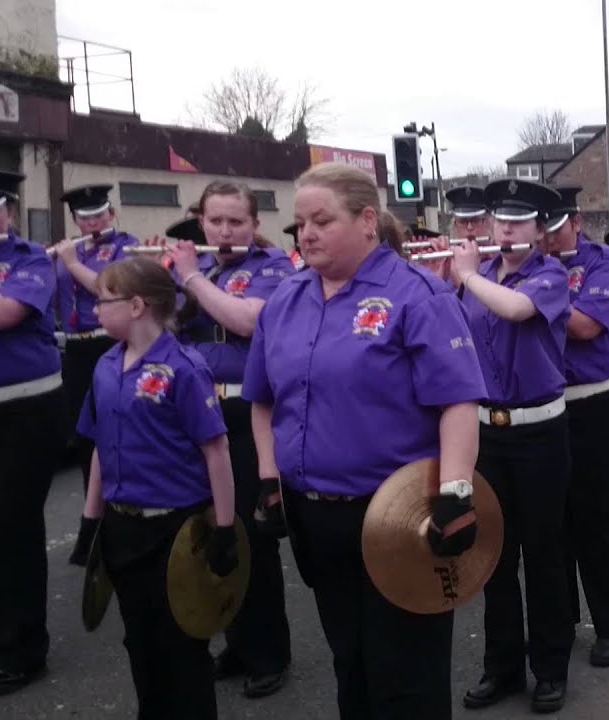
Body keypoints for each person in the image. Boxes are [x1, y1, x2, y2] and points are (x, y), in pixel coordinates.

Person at [243, 162, 486, 718]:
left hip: (401, 519)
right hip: (317, 520)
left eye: (322, 221)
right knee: (350, 666)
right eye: (299, 224)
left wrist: (456, 492)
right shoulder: (285, 301)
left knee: (406, 679)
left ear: (367, 220)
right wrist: (267, 477)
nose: (306, 234)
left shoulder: (417, 295)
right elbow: (262, 398)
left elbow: (457, 401)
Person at [71, 257, 238, 719]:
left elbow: (216, 451)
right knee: (139, 641)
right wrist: (91, 519)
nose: (95, 311)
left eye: (103, 302)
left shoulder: (184, 367)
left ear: (138, 305)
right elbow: (101, 446)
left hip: (176, 531)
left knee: (182, 647)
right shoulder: (105, 366)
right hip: (124, 528)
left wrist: (224, 528)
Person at [452, 179, 573, 714]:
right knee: (493, 555)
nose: (503, 230)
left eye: (518, 222)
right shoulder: (472, 280)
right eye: (499, 221)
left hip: (539, 434)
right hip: (487, 432)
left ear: (539, 230)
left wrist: (465, 275)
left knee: (543, 555)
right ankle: (502, 667)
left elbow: (517, 310)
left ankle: (550, 668)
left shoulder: (548, 275)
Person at [168, 181, 294, 699]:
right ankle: (237, 641)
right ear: (202, 222)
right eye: (215, 221)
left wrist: (192, 279)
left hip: (246, 410)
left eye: (235, 222)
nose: (223, 231)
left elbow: (248, 319)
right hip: (198, 408)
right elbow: (166, 327)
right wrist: (163, 286)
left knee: (251, 535)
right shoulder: (199, 268)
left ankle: (269, 652)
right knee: (213, 529)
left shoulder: (274, 268)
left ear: (253, 225)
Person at [540, 186, 609, 670]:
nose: (549, 239)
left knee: (594, 519)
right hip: (549, 405)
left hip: (599, 402)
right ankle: (563, 620)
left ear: (575, 222)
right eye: (544, 229)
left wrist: (536, 297)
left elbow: (585, 326)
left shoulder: (602, 263)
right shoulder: (529, 266)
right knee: (553, 525)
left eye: (556, 228)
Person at [0, 170, 68, 697]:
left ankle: (23, 648)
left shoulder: (28, 258)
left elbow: (4, 313)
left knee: (12, 526)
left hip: (26, 410)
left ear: (9, 212)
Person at [53, 184, 139, 476]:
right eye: (86, 218)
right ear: (76, 220)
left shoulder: (125, 245)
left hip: (111, 342)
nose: (94, 223)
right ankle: (93, 507)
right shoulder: (68, 251)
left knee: (118, 421)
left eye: (100, 216)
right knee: (82, 427)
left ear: (112, 214)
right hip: (76, 348)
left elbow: (109, 288)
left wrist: (72, 264)